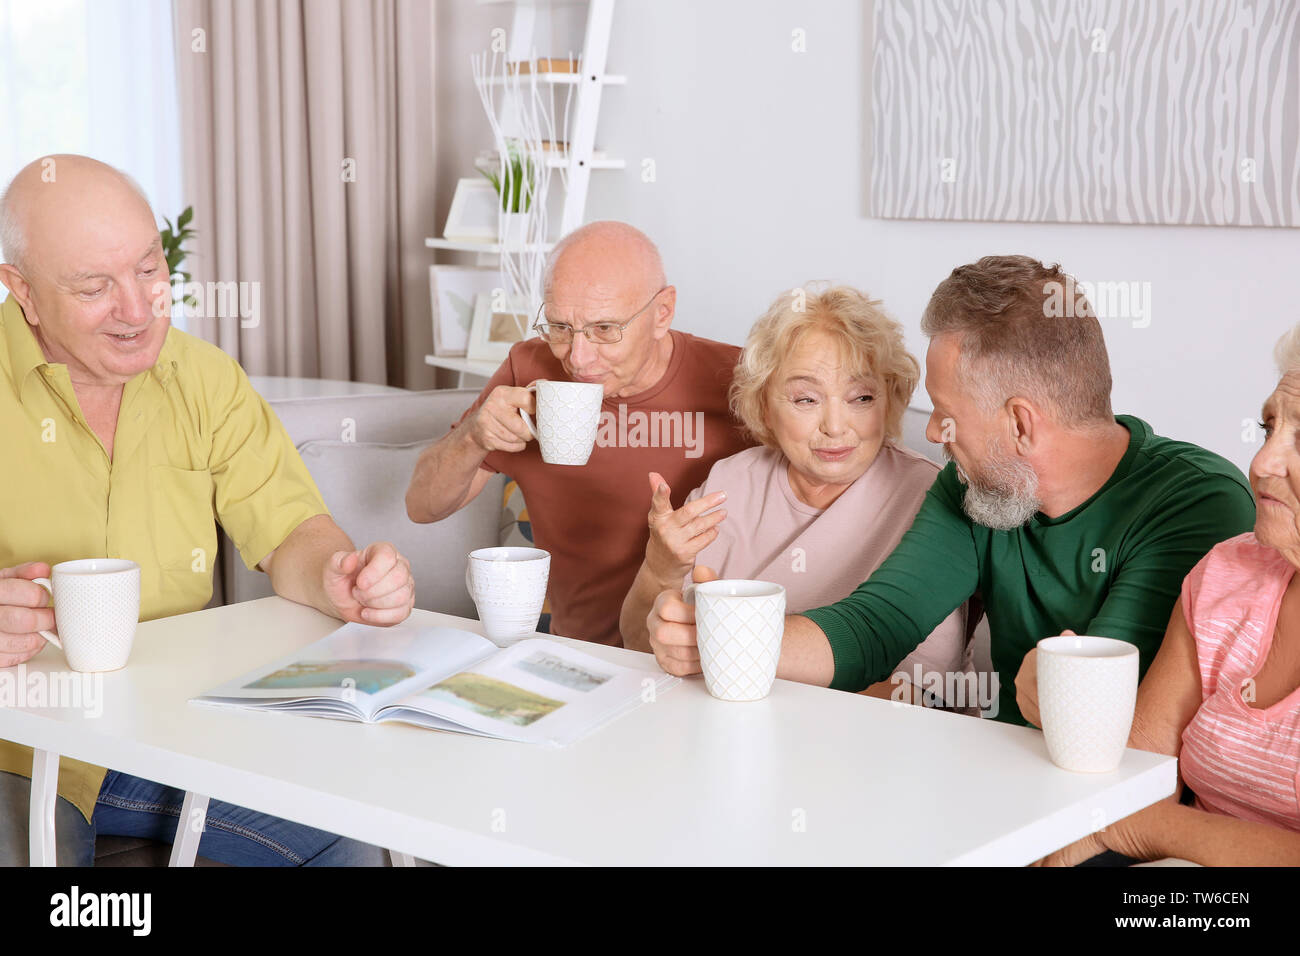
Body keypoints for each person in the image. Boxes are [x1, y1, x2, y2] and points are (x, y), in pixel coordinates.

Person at [0, 155, 416, 866]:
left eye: (149, 269)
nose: (138, 310)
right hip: (17, 742)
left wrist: (337, 576)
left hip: (169, 731)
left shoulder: (204, 378)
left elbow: (291, 532)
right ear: (24, 292)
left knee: (345, 834)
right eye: (95, 288)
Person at [645, 255, 1257, 725]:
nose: (933, 432)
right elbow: (874, 627)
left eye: (945, 413)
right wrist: (722, 640)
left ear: (1020, 424)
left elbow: (1103, 710)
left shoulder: (1197, 501)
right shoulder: (973, 487)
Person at [406, 221, 753, 647]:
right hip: (576, 653)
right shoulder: (527, 369)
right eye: (559, 327)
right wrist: (473, 437)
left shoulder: (738, 379)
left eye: (605, 329)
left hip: (709, 651)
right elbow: (422, 507)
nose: (578, 358)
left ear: (662, 312)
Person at [621, 284, 970, 705]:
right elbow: (635, 646)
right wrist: (661, 567)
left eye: (862, 397)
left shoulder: (929, 496)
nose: (835, 426)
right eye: (806, 399)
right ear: (765, 406)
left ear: (889, 400)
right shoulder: (729, 481)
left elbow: (919, 695)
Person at [1034, 327, 1300, 866]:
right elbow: (1135, 777)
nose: (1262, 464)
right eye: (1268, 428)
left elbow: (1128, 817)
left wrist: (1142, 827)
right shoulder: (1227, 572)